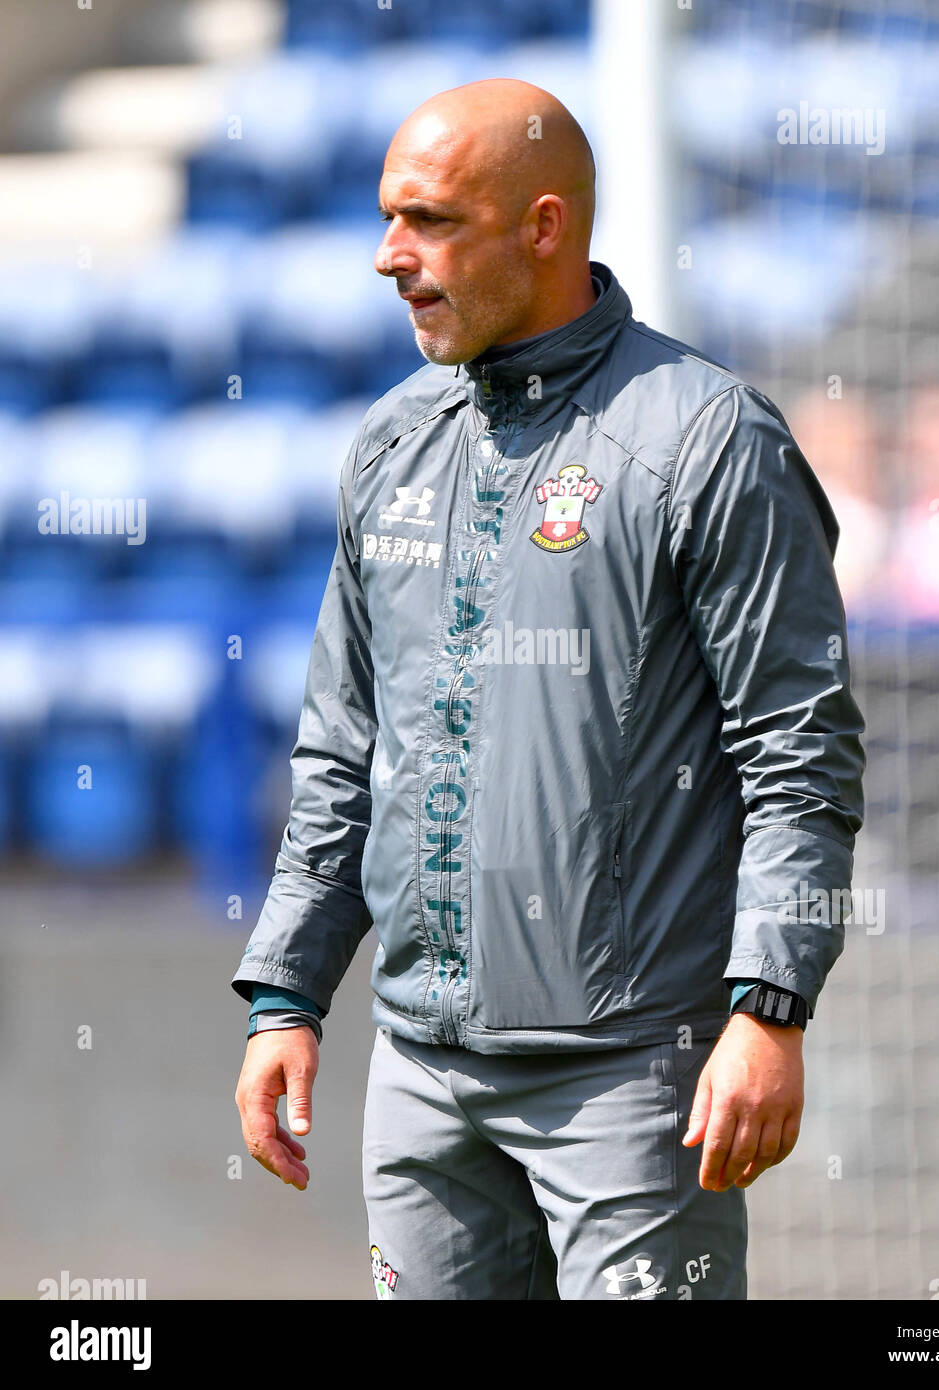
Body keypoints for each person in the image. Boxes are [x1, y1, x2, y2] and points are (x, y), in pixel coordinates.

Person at [232, 78, 866, 1301]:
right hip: (421, 1075)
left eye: (428, 222)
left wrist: (770, 1006)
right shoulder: (389, 444)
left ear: (541, 227)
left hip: (631, 1080)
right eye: (384, 219)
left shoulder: (706, 439)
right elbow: (342, 752)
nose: (387, 257)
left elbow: (797, 750)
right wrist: (287, 991)